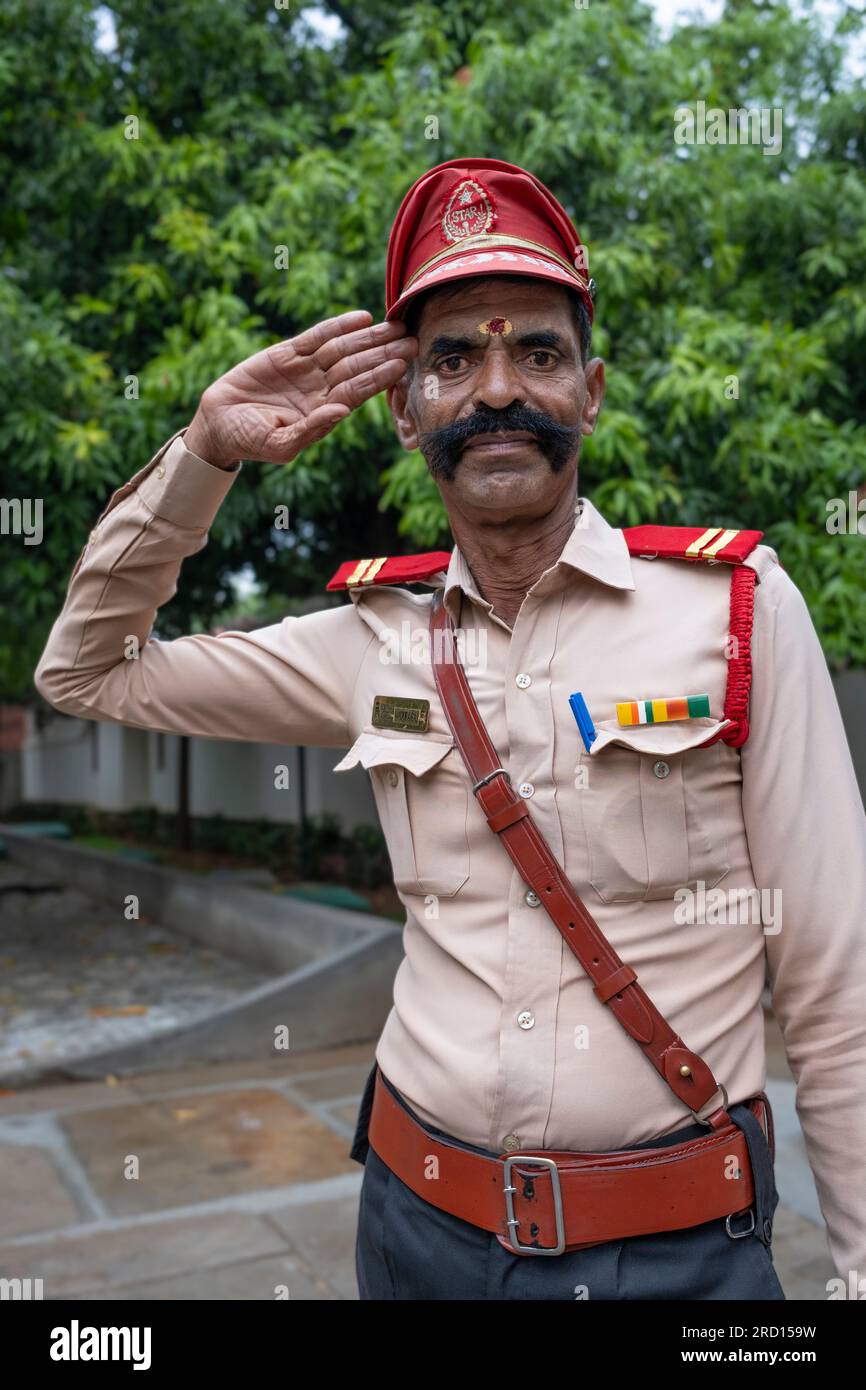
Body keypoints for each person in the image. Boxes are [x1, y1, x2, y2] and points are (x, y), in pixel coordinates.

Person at [35, 158, 866, 1301]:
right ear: (405, 406)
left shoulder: (734, 612)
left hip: (677, 1259)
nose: (493, 389)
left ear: (591, 388)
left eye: (536, 350)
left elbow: (837, 987)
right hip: (413, 1232)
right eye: (451, 357)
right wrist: (206, 452)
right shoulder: (368, 639)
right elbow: (86, 672)